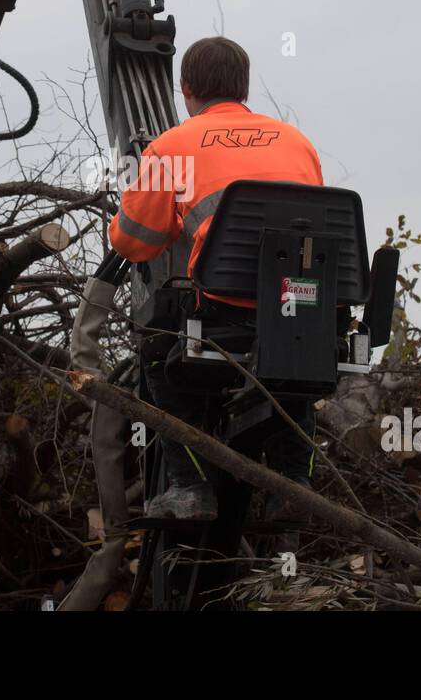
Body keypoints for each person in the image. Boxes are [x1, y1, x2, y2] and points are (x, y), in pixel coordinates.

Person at [108, 36, 324, 521]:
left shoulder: (173, 145)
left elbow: (134, 241)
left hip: (225, 306)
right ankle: (295, 486)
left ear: (185, 88)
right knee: (296, 360)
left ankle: (190, 488)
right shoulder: (296, 142)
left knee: (159, 345)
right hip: (300, 307)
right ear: (243, 87)